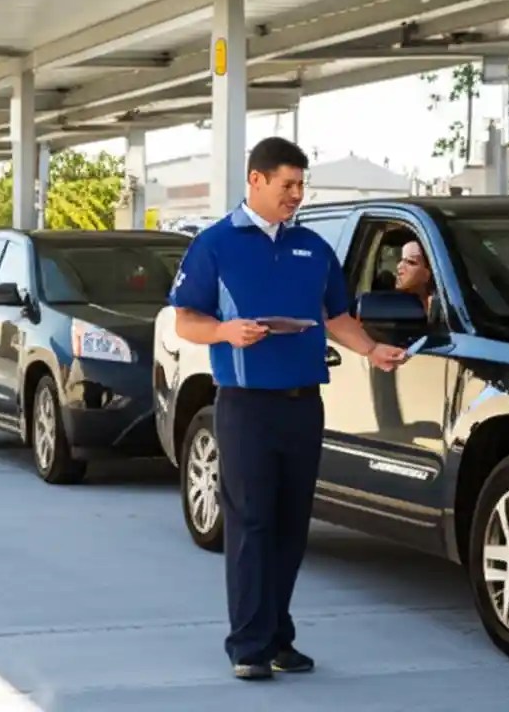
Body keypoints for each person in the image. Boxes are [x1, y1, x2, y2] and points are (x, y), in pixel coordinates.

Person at [168, 137, 406, 681]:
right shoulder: (215, 244)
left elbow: (337, 318)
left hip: (304, 404)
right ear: (256, 181)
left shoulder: (314, 249)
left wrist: (373, 350)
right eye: (287, 185)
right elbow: (186, 320)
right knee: (251, 522)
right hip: (246, 406)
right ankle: (247, 645)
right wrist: (226, 331)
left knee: (291, 525)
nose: (297, 195)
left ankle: (278, 637)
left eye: (302, 185)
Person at [395, 239, 434, 312]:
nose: (399, 266)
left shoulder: (436, 308)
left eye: (410, 262)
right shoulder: (388, 306)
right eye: (400, 260)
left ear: (426, 274)